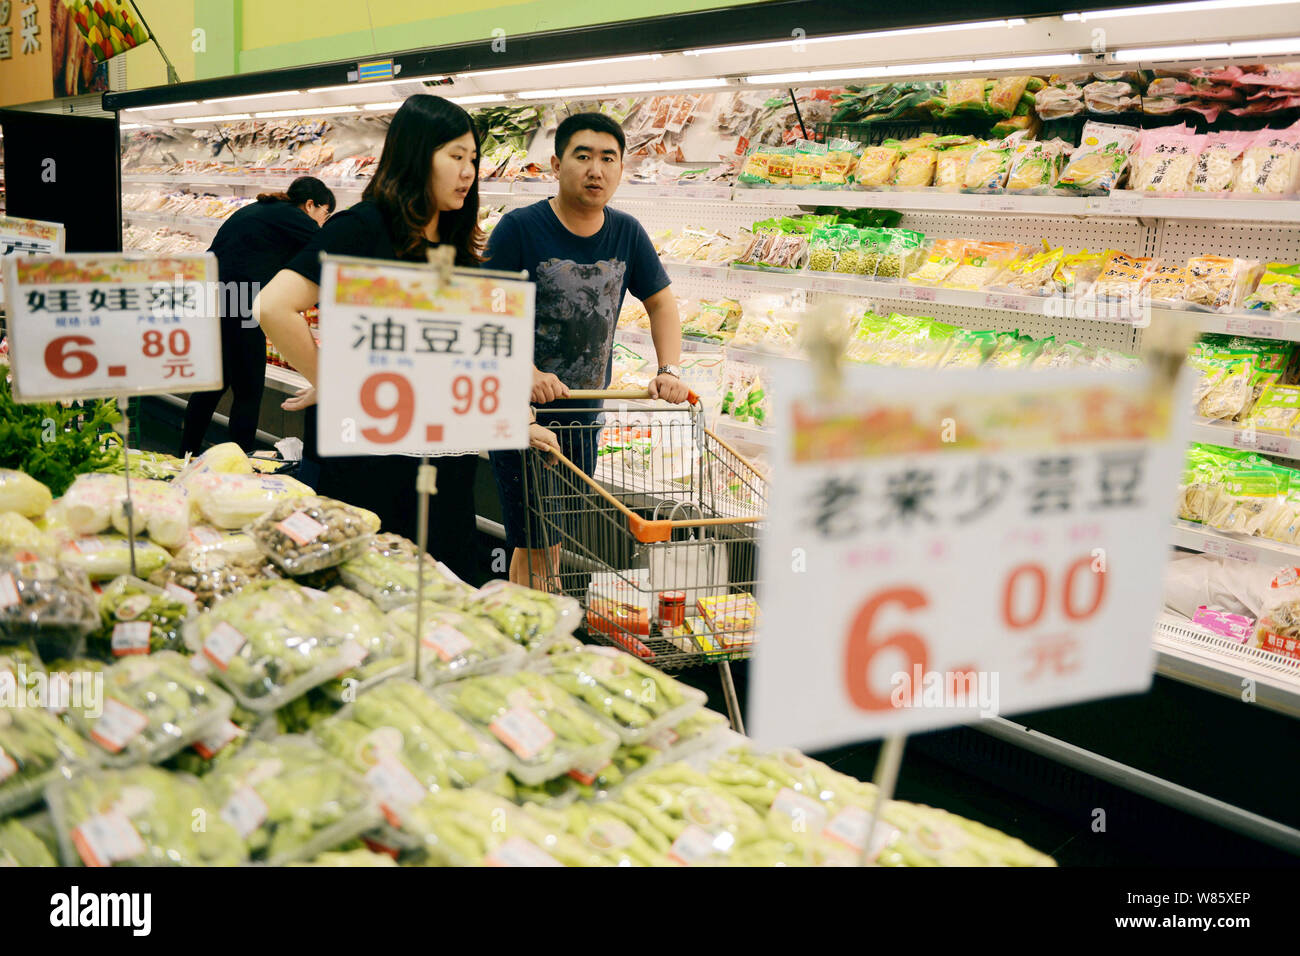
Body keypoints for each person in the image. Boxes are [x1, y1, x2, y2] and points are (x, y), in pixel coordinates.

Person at [252, 95, 558, 584]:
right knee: (366, 592)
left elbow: (448, 351)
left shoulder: (453, 242)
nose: (468, 172)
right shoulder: (365, 227)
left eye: (473, 159)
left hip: (444, 466)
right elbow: (272, 305)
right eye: (455, 156)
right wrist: (337, 383)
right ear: (417, 155)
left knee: (440, 595)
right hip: (369, 466)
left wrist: (509, 418)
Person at [487, 112, 689, 588]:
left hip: (583, 414)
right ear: (556, 165)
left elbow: (661, 303)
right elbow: (484, 316)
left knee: (547, 539)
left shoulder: (627, 232)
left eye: (608, 159)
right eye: (583, 157)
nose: (595, 170)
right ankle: (534, 632)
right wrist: (526, 370)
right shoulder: (518, 229)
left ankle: (524, 625)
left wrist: (670, 368)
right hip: (522, 413)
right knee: (538, 541)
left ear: (621, 169)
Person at [180, 176, 335, 455]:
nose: (323, 221)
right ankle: (240, 462)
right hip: (238, 300)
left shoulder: (262, 209)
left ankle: (185, 455)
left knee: (212, 385)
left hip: (212, 295)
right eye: (326, 213)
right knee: (249, 390)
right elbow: (325, 255)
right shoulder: (296, 219)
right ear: (311, 204)